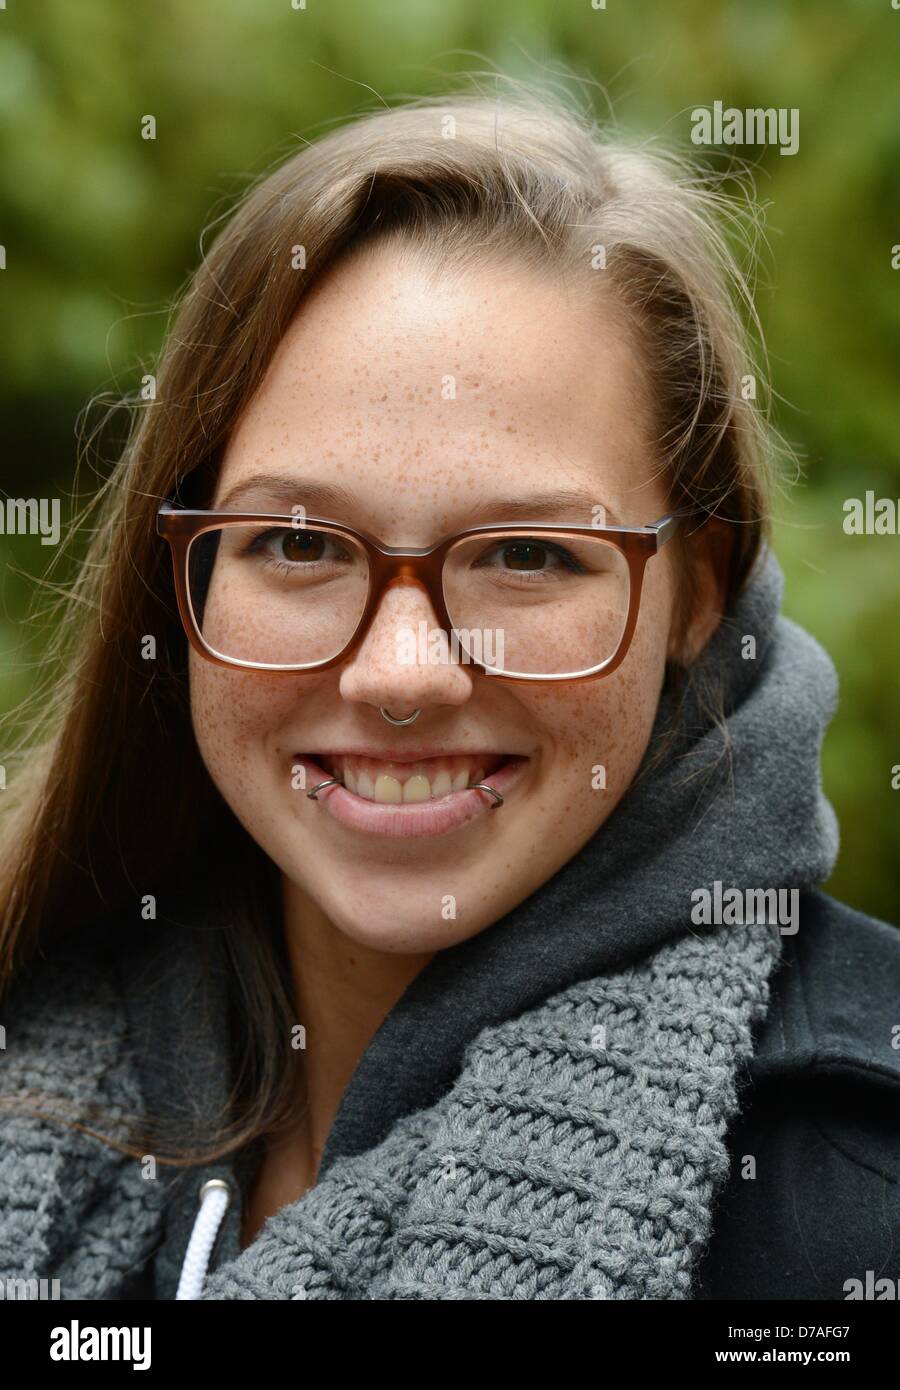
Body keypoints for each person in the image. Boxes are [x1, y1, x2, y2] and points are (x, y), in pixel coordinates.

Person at [0, 90, 897, 1302]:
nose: (401, 673)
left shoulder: (856, 1197)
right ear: (181, 574)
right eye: (301, 544)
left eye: (529, 554)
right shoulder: (41, 1047)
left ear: (700, 588)